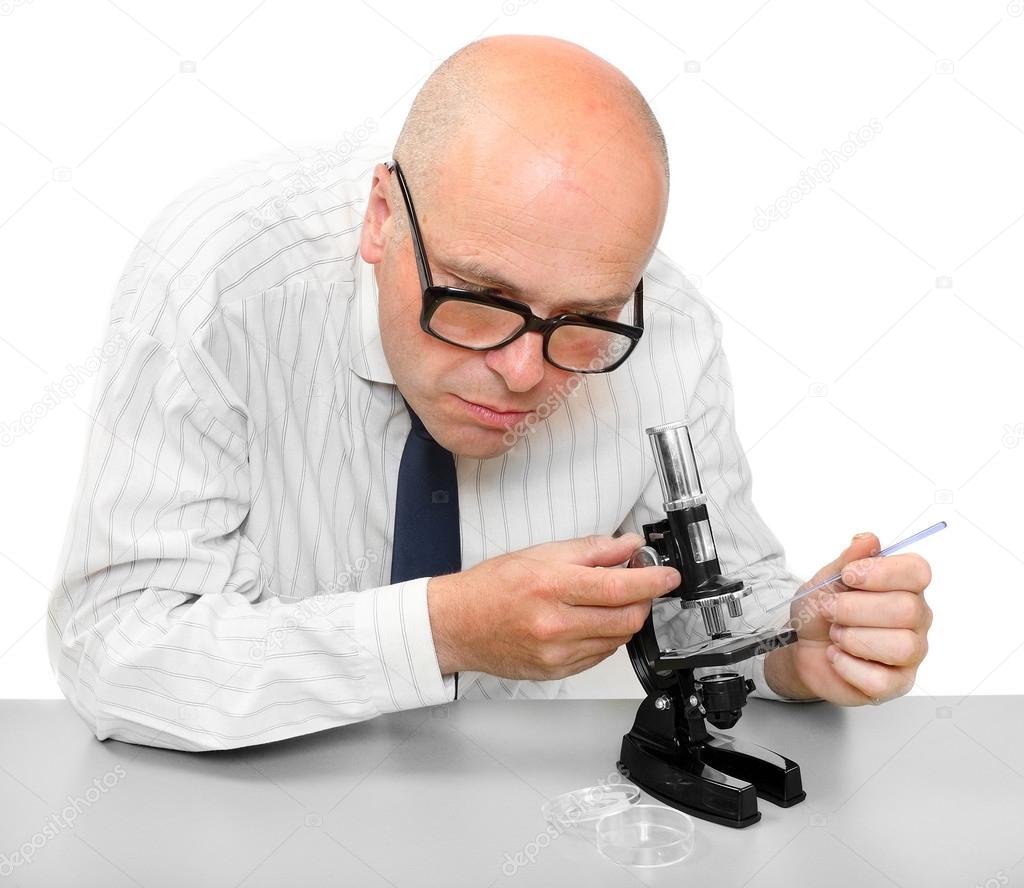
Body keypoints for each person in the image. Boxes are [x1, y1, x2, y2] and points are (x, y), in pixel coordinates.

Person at [47, 35, 933, 752]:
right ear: (382, 219)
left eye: (586, 318)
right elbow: (118, 652)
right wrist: (440, 630)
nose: (523, 374)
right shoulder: (221, 280)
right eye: (479, 301)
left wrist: (794, 647)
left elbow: (708, 607)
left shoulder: (668, 330)